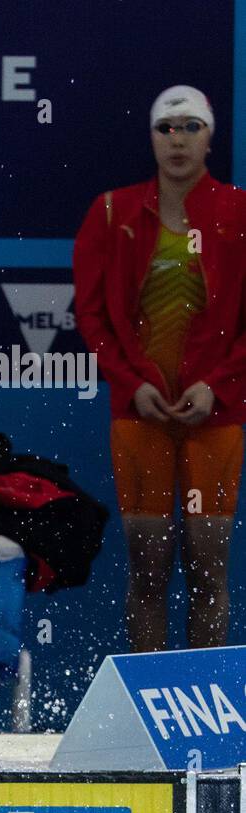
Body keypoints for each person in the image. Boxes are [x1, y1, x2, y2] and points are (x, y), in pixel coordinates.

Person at [74, 85, 246, 653]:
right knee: (147, 573)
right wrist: (133, 384)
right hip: (140, 414)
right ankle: (151, 716)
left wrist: (215, 386)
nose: (178, 140)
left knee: (207, 570)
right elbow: (92, 315)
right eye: (166, 128)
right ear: (151, 136)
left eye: (191, 127)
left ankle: (202, 711)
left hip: (215, 418)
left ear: (211, 136)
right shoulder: (111, 212)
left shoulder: (239, 214)